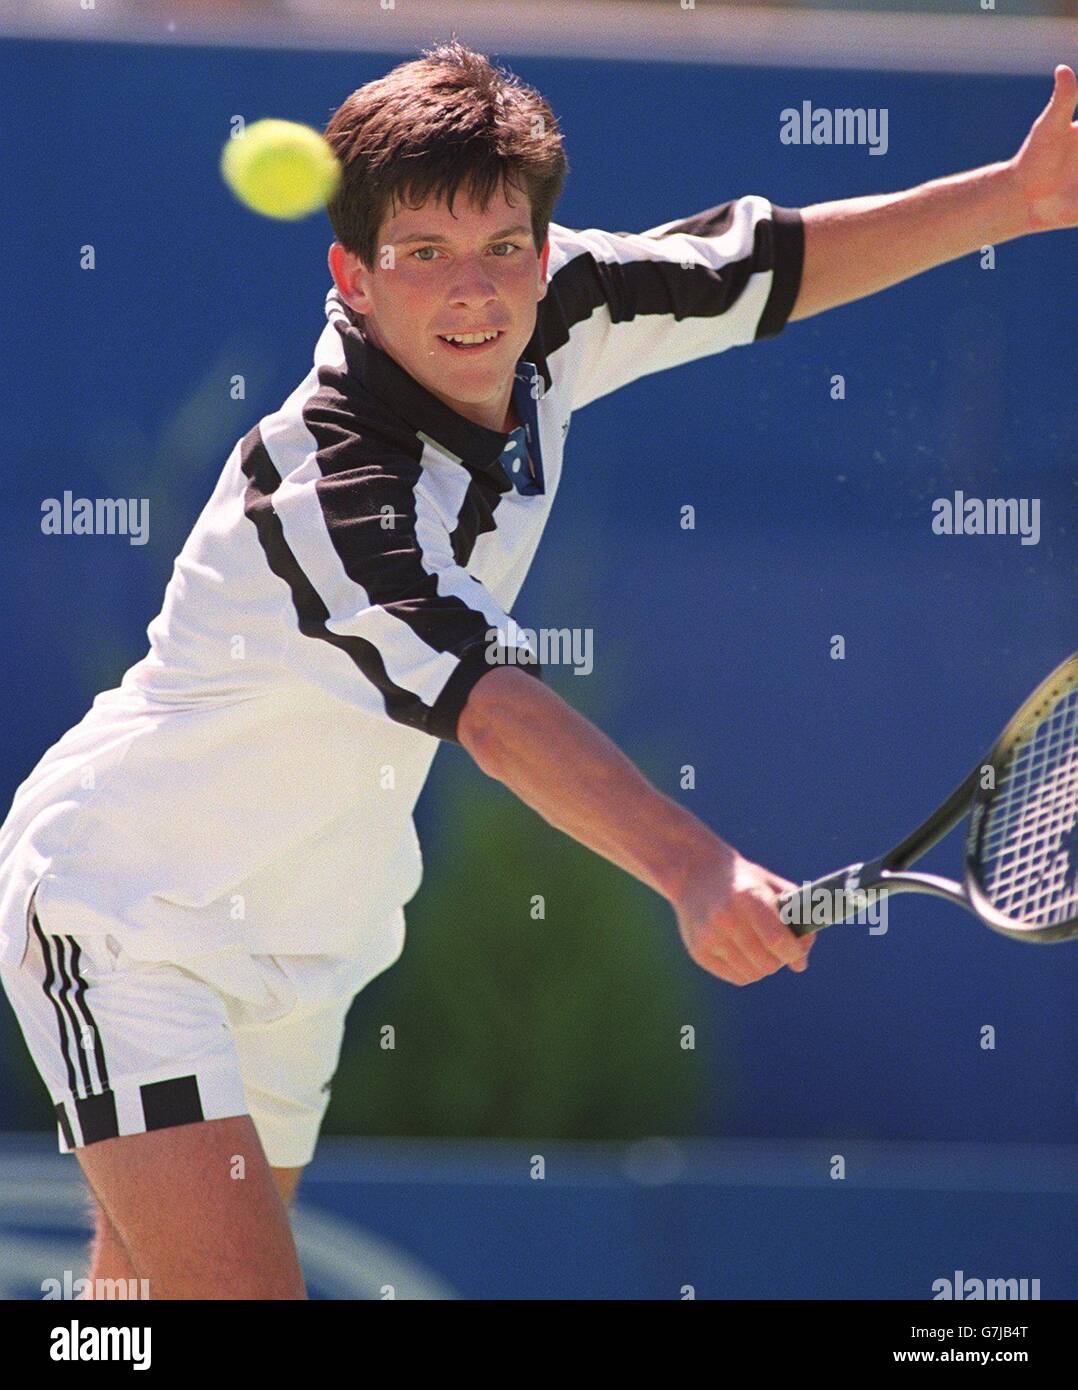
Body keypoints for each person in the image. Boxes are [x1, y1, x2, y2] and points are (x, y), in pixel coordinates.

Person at [0, 39, 1074, 1300]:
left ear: (545, 252)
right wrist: (693, 866)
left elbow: (771, 267)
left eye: (503, 247)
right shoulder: (336, 495)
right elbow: (495, 712)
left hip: (309, 933)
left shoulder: (571, 300)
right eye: (423, 255)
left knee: (131, 1313)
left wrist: (1020, 196)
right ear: (352, 276)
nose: (474, 293)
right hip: (127, 907)